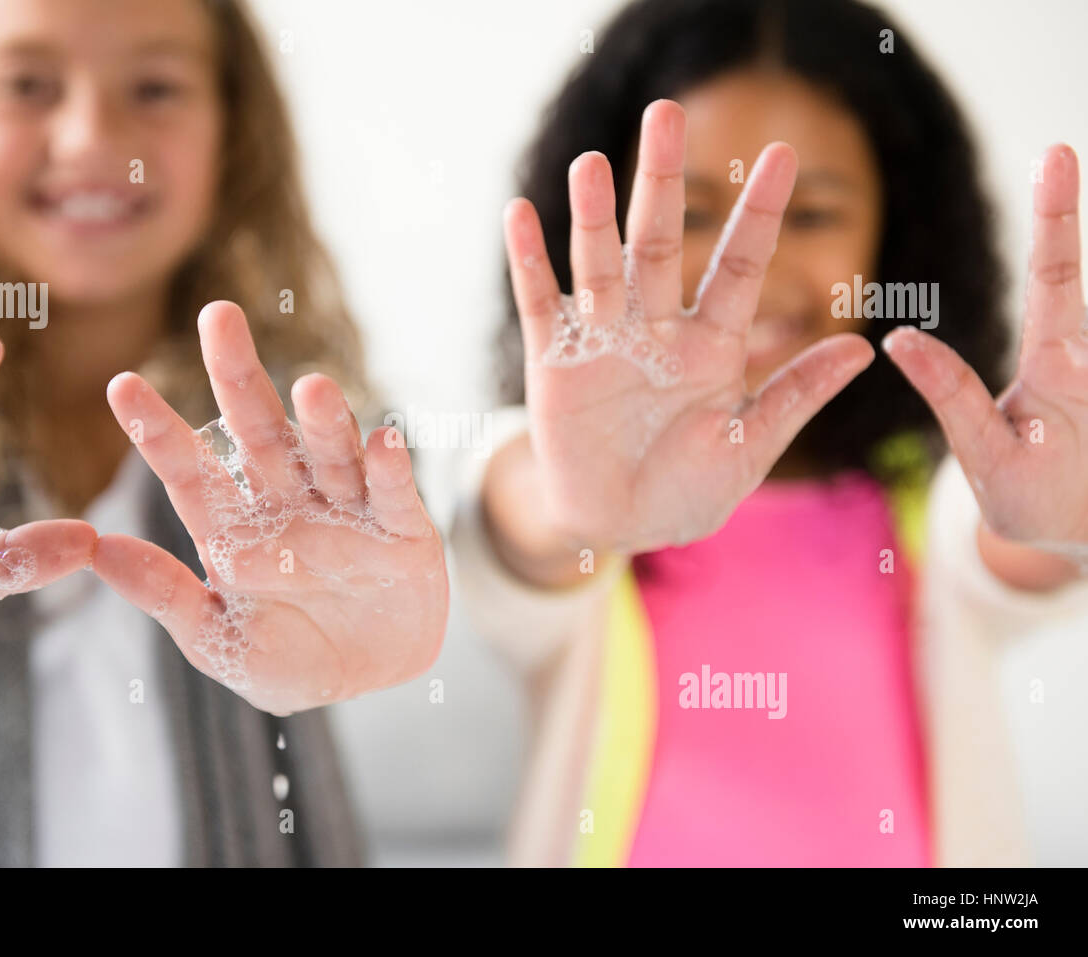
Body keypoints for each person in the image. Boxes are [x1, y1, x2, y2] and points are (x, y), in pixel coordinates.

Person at [0, 0, 447, 866]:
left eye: (155, 86)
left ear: (232, 128)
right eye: (26, 83)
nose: (94, 137)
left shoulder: (309, 452)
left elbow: (513, 520)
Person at [450, 0, 1088, 866]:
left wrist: (1066, 516)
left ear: (896, 243)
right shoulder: (555, 476)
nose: (748, 268)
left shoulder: (925, 497)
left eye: (816, 214)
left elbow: (1012, 540)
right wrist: (573, 508)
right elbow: (515, 526)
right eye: (692, 211)